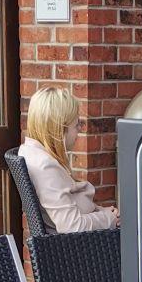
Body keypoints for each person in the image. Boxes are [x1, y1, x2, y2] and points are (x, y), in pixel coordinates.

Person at [17, 86, 117, 233]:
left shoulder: (29, 152)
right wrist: (109, 219)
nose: (80, 130)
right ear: (60, 128)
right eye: (77, 125)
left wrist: (103, 213)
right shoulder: (45, 167)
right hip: (80, 249)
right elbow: (72, 226)